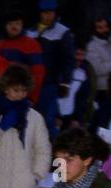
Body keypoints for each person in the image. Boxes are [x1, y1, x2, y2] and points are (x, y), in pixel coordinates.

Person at [28, 0, 75, 136]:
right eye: (44, 12)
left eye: (50, 12)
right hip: (30, 83)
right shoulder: (30, 31)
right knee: (30, 119)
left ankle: (52, 148)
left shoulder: (62, 32)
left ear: (55, 13)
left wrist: (65, 82)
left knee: (47, 121)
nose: (47, 16)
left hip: (50, 83)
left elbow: (68, 60)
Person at [87, 18, 111, 128]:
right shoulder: (92, 46)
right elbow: (98, 69)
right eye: (100, 27)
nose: (104, 30)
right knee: (103, 120)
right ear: (95, 29)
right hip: (103, 89)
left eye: (105, 26)